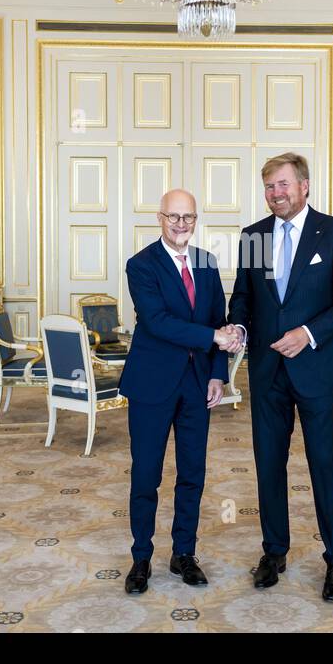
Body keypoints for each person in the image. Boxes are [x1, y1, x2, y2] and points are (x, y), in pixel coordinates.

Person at [229, 153, 333, 602]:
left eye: (284, 185)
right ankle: (274, 551)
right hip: (267, 372)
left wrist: (307, 333)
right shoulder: (253, 237)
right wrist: (240, 330)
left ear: (304, 186)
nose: (276, 194)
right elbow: (242, 299)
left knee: (326, 466)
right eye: (269, 187)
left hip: (317, 370)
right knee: (269, 465)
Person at [118, 188, 241, 594]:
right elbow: (158, 321)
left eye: (188, 217)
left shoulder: (206, 263)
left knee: (192, 474)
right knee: (146, 475)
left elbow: (218, 319)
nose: (181, 224)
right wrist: (215, 338)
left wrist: (217, 374)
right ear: (159, 218)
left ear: (195, 219)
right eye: (173, 217)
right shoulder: (141, 265)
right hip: (152, 384)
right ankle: (140, 559)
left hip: (197, 386)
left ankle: (183, 554)